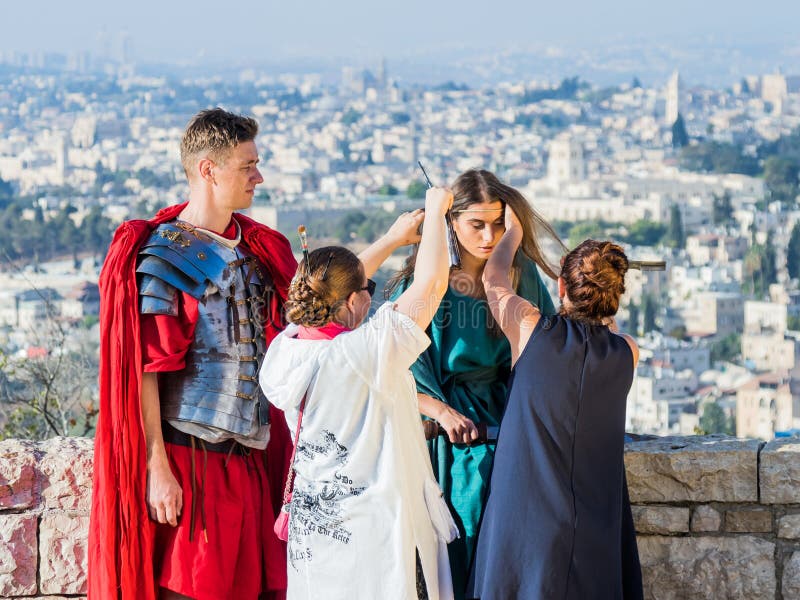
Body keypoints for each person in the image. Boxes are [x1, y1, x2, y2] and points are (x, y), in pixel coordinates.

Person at [88, 108, 297, 600]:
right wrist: (156, 467)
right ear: (208, 170)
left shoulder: (255, 251)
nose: (258, 176)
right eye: (247, 165)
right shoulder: (164, 257)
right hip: (192, 465)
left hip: (249, 465)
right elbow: (145, 373)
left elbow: (311, 316)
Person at [259, 188, 458, 600]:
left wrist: (391, 239)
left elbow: (324, 291)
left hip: (317, 534)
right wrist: (437, 211)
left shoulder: (287, 348)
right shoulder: (361, 355)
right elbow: (432, 283)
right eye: (365, 290)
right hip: (376, 534)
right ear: (352, 301)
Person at [387, 169, 564, 597]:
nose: (489, 236)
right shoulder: (428, 282)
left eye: (499, 224)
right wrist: (441, 411)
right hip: (452, 430)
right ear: (451, 224)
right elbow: (394, 360)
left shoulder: (519, 274)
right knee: (467, 531)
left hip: (511, 416)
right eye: (477, 224)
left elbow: (543, 349)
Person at [467, 205, 643, 599]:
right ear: (615, 296)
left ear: (561, 286)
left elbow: (493, 279)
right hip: (594, 521)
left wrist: (513, 233)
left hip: (524, 515)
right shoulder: (627, 352)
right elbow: (604, 331)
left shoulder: (530, 328)